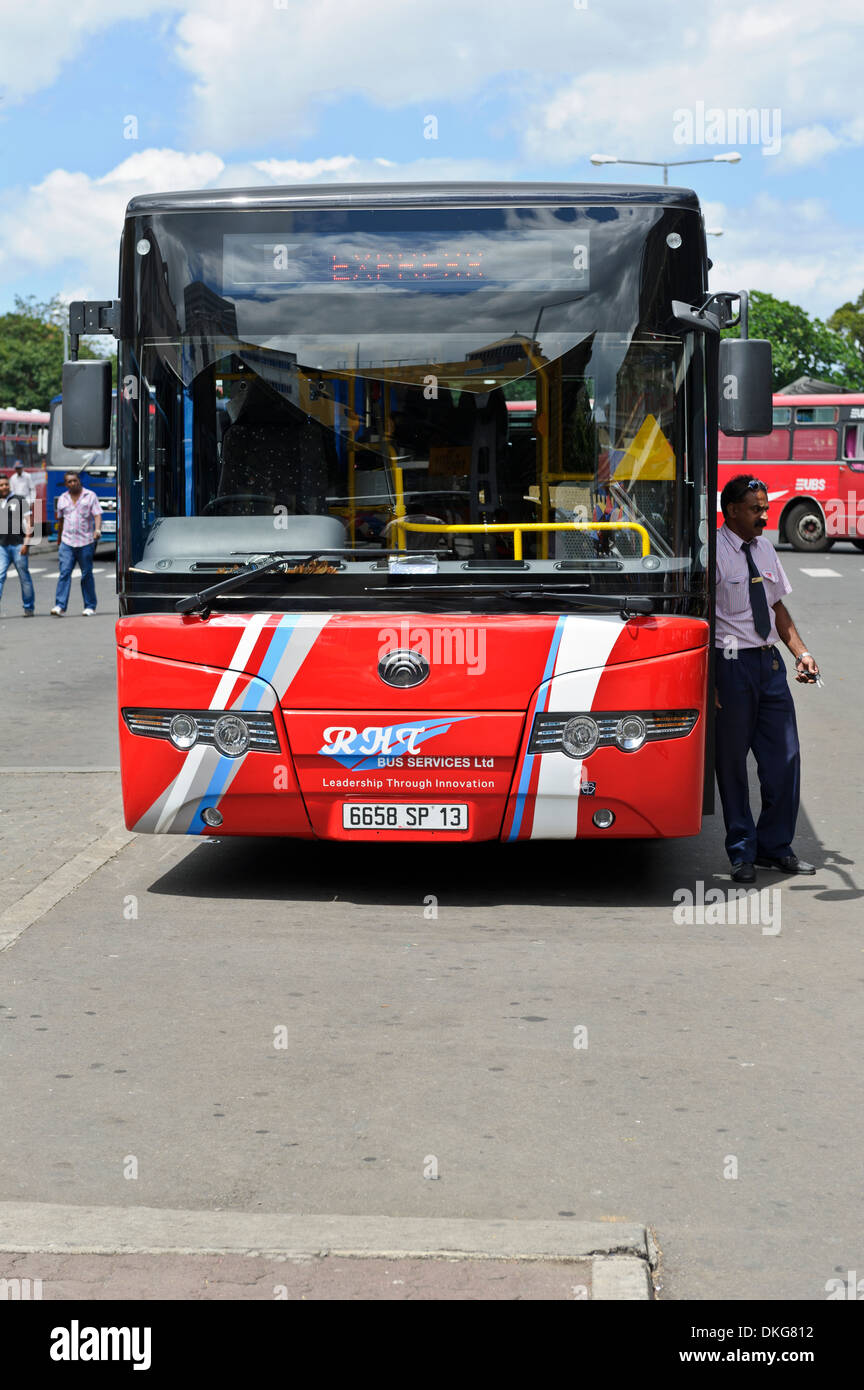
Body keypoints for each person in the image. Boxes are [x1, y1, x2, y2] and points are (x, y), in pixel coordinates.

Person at [715, 475, 819, 883]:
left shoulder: (764, 548)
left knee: (785, 760)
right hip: (730, 667)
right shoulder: (714, 555)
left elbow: (776, 606)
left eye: (765, 507)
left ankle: (775, 849)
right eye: (756, 509)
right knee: (733, 766)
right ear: (732, 511)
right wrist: (710, 681)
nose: (764, 515)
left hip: (769, 665)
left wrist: (802, 653)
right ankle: (742, 851)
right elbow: (701, 619)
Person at [50, 471, 102, 617]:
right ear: (66, 484)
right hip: (67, 542)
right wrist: (59, 539)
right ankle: (60, 606)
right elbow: (60, 521)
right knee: (64, 573)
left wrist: (97, 530)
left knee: (86, 574)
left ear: (79, 481)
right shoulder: (62, 499)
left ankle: (90, 606)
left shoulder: (90, 496)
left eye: (75, 481)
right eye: (69, 482)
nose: (72, 483)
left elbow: (97, 514)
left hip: (86, 542)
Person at [0, 473, 35, 616]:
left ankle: (28, 607)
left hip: (18, 545)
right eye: (1, 485)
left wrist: (26, 543)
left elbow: (29, 522)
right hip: (2, 546)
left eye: (6, 484)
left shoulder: (20, 500)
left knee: (24, 577)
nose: (4, 487)